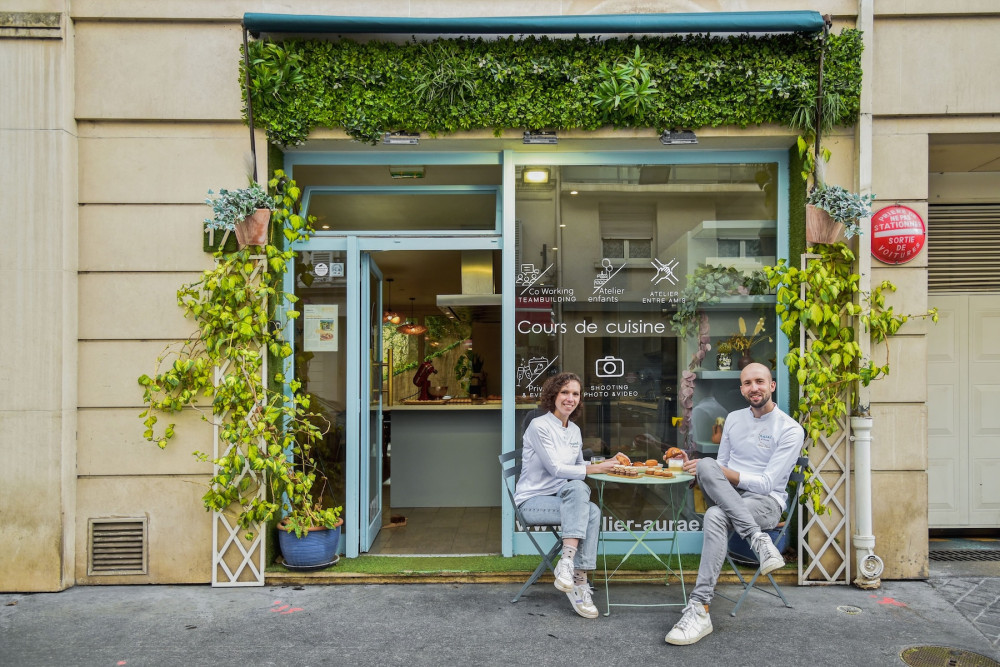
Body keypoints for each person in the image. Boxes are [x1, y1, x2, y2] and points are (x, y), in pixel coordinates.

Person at [664, 363, 803, 645]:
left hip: (765, 503)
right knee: (706, 466)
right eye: (748, 383)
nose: (754, 388)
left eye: (760, 382)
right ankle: (758, 541)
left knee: (715, 514)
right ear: (741, 389)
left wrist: (715, 469)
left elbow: (765, 483)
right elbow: (723, 465)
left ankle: (699, 607)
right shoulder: (734, 419)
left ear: (771, 385)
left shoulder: (790, 429)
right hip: (733, 497)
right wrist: (706, 468)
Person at [514, 372, 618, 619]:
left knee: (588, 503)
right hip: (532, 501)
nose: (570, 398)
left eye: (575, 394)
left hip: (561, 496)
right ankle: (574, 574)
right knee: (586, 504)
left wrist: (606, 462)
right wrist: (596, 468)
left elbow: (577, 468)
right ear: (553, 396)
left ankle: (574, 574)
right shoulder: (539, 426)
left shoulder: (574, 430)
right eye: (564, 392)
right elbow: (557, 469)